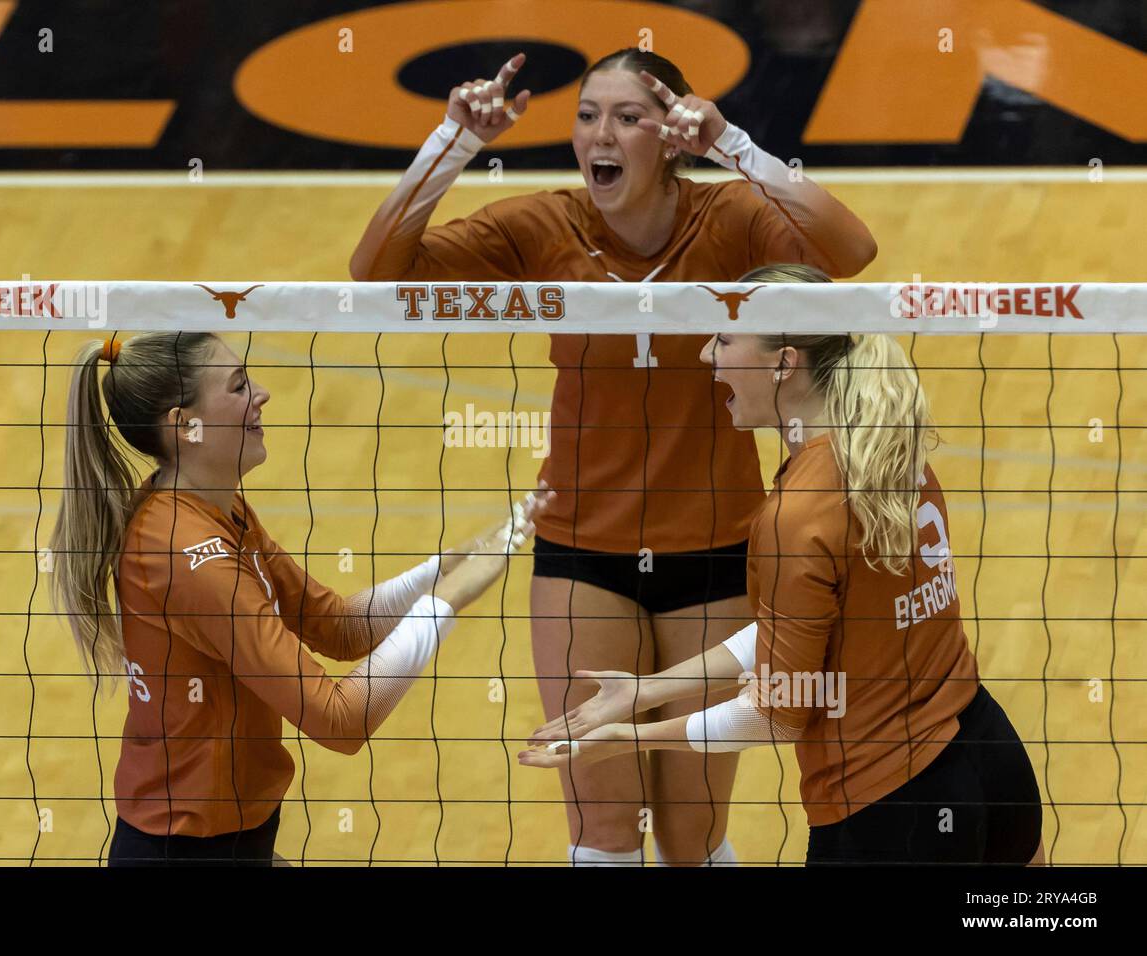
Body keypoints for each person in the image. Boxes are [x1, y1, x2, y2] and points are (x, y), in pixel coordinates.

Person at [350, 49, 877, 865]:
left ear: (670, 137)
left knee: (689, 837)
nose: (601, 133)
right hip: (580, 556)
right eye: (588, 114)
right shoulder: (545, 225)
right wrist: (455, 138)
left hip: (718, 554)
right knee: (603, 832)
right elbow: (376, 272)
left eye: (627, 117)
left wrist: (731, 140)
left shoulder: (732, 220)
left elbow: (850, 250)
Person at [521, 265, 1044, 866]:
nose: (705, 354)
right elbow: (805, 627)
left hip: (889, 811)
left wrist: (627, 740)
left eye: (723, 339)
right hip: (989, 758)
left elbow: (775, 715)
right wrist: (643, 691)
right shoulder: (893, 454)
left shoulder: (794, 517)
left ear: (783, 362)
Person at [48, 331, 548, 865]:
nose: (261, 394)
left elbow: (336, 625)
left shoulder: (218, 513)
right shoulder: (189, 557)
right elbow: (340, 719)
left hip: (230, 842)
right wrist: (447, 601)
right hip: (187, 851)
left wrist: (448, 566)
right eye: (239, 386)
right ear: (184, 425)